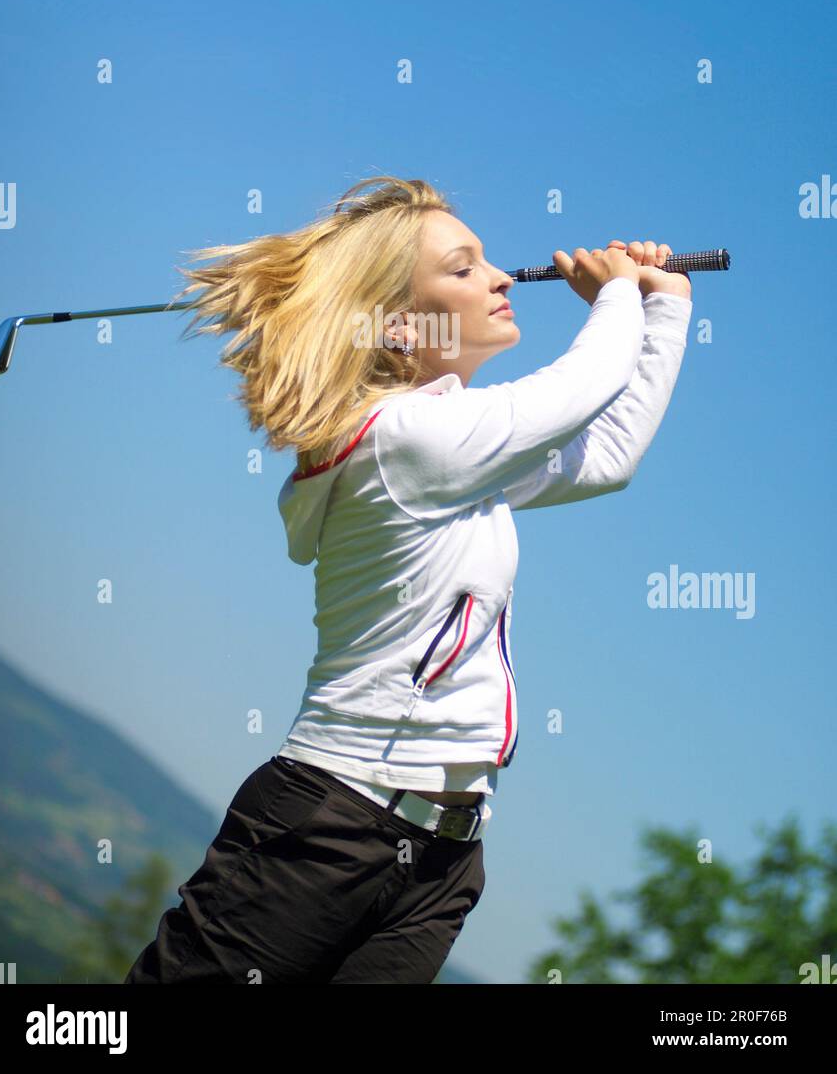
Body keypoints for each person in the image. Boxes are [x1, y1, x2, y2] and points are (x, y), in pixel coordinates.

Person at [123, 175, 693, 984]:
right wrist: (616, 297)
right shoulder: (405, 442)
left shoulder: (453, 453)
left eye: (489, 261)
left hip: (442, 858)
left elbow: (606, 456)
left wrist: (663, 307)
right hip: (327, 828)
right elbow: (576, 393)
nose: (499, 277)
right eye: (463, 268)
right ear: (399, 322)